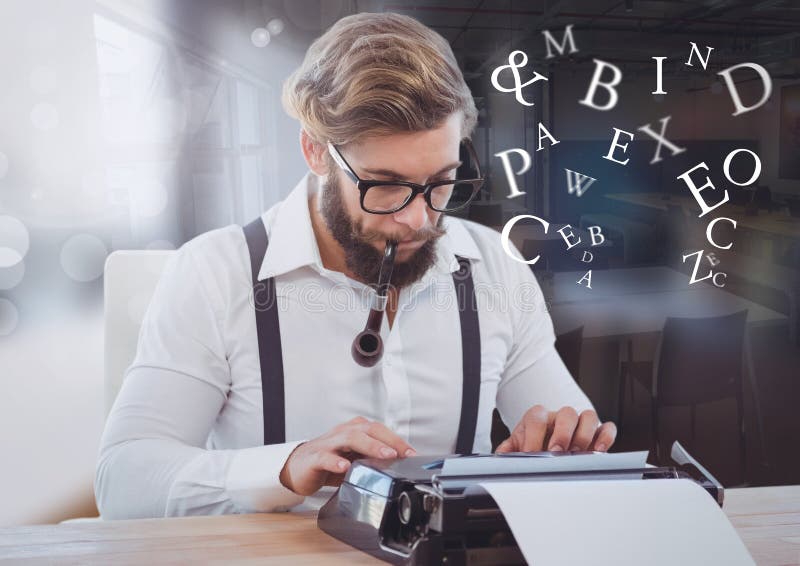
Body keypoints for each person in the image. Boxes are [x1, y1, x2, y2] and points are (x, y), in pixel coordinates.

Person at [95, 12, 616, 519]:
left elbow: (569, 437)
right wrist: (283, 467)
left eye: (441, 182)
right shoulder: (212, 273)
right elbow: (123, 481)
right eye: (385, 184)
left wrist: (561, 452)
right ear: (315, 152)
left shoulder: (496, 272)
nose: (418, 219)